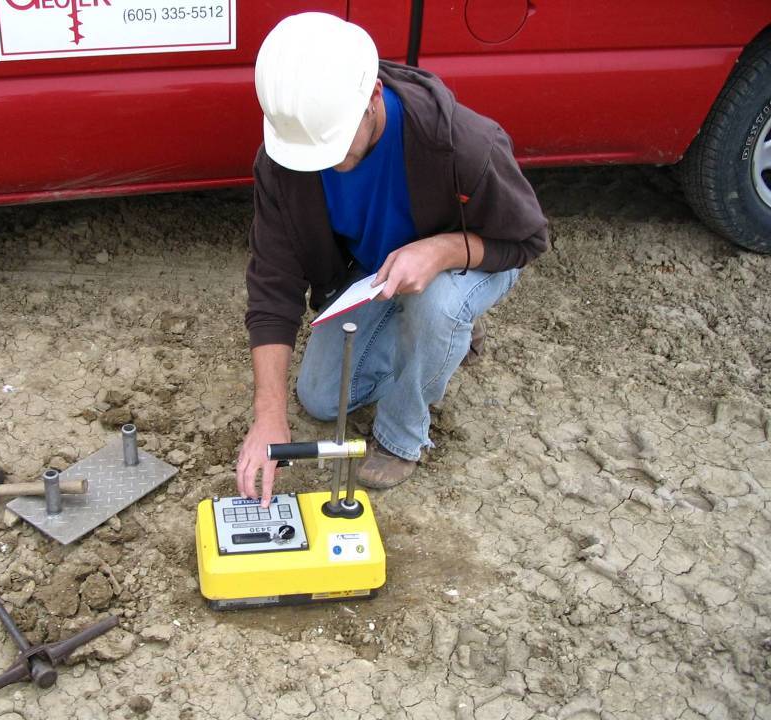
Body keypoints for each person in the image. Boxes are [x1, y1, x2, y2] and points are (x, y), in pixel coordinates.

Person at [235, 12, 548, 507]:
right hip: (375, 271)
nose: (323, 165)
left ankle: (404, 434)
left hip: (472, 257)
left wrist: (442, 249)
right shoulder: (289, 157)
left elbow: (527, 242)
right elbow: (274, 284)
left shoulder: (464, 144)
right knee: (318, 399)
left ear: (374, 98)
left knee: (439, 306)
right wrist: (268, 415)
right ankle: (438, 339)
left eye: (334, 148)